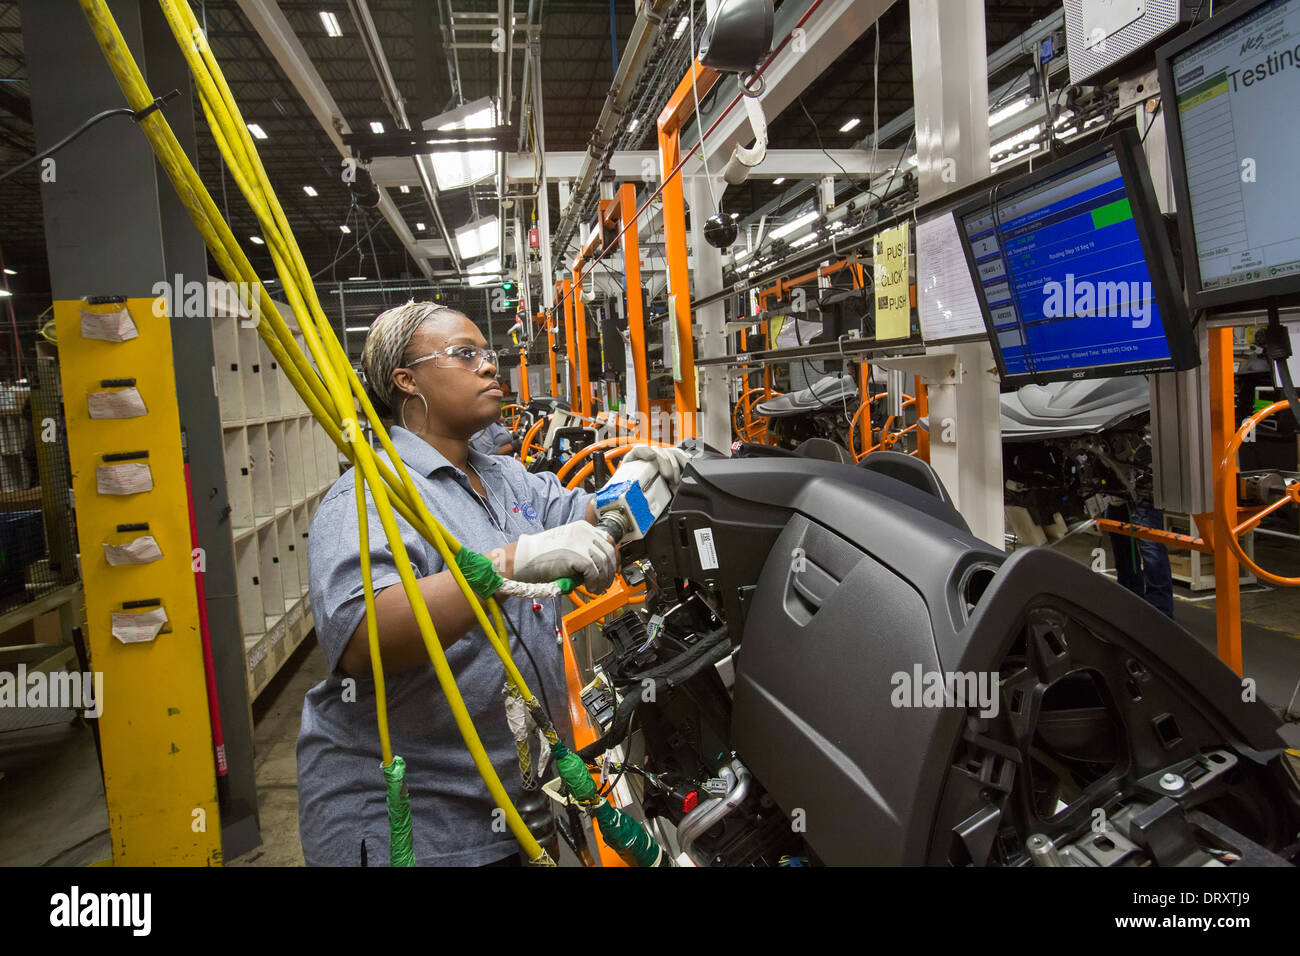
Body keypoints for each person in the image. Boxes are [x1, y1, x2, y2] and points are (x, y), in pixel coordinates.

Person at [297, 301, 685, 867]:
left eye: (489, 353)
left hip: (510, 800)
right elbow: (364, 637)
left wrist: (643, 483)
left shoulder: (504, 476)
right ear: (406, 381)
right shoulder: (372, 495)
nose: (488, 366)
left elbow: (589, 516)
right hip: (418, 823)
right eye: (465, 354)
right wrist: (506, 564)